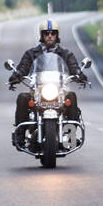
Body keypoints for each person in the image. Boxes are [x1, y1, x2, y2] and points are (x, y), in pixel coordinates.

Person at [8, 17, 87, 145]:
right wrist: (16, 75)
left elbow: (74, 67)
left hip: (59, 90)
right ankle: (20, 135)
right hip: (38, 92)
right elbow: (23, 68)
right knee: (22, 98)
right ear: (42, 35)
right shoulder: (31, 53)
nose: (50, 36)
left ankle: (71, 136)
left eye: (53, 33)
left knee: (71, 97)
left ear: (57, 35)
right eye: (46, 33)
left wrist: (79, 74)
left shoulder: (65, 54)